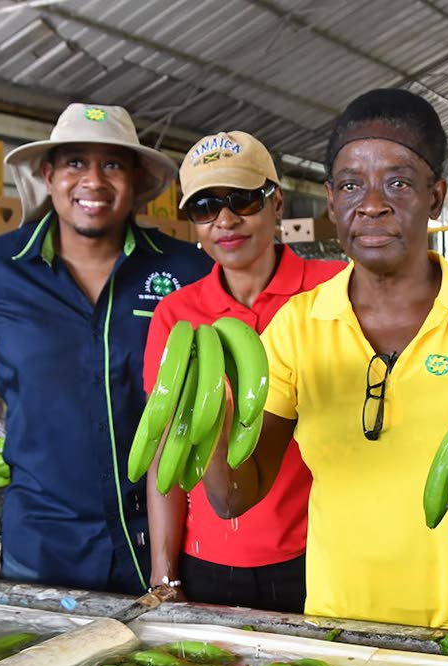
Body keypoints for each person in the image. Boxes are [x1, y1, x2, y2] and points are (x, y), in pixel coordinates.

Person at [201, 88, 448, 636]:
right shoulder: (297, 326)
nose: (372, 204)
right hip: (346, 627)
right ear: (331, 201)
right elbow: (232, 497)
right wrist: (207, 412)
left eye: (398, 183)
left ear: (435, 197)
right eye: (350, 185)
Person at [0, 104, 210, 593]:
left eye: (112, 165)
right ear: (49, 176)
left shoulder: (185, 271)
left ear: (135, 180)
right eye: (75, 163)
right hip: (42, 542)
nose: (93, 181)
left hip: (165, 541)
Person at [142, 131, 342, 611]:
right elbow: (167, 448)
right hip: (210, 559)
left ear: (277, 204)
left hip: (323, 554)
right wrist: (164, 574)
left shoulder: (335, 290)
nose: (226, 220)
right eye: (205, 207)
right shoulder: (177, 315)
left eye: (243, 200)